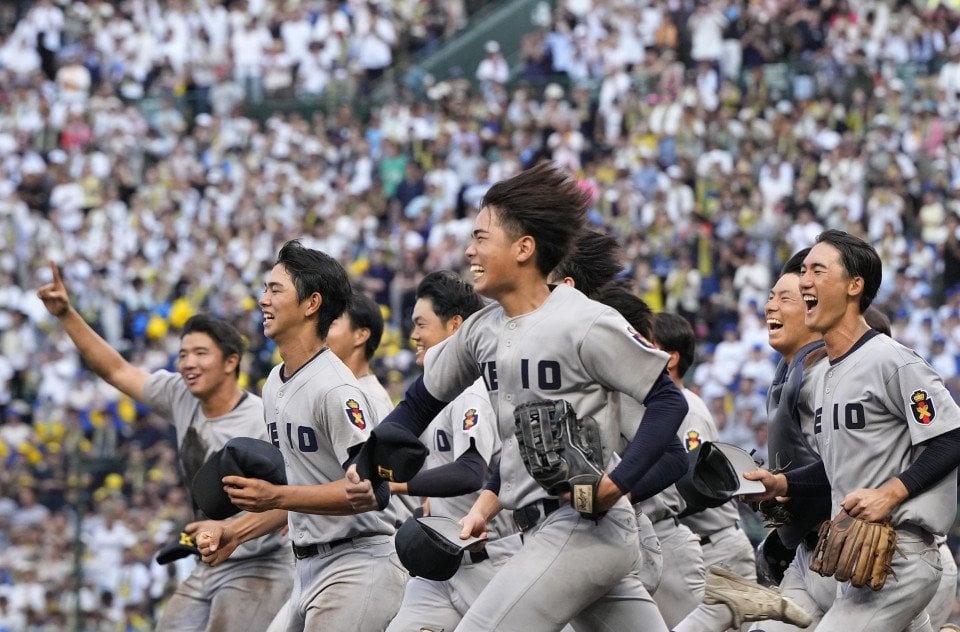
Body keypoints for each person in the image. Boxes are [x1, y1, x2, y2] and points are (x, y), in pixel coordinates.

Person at [363, 161, 689, 631]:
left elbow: (667, 401)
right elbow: (418, 404)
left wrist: (616, 486)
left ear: (523, 248)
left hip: (584, 524)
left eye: (481, 238)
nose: (469, 250)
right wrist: (375, 453)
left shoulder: (585, 320)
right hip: (543, 526)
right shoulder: (482, 330)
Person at [36, 262, 291, 632]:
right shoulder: (180, 394)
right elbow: (117, 371)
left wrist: (238, 531)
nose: (188, 363)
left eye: (201, 353)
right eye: (183, 354)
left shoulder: (261, 419)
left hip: (261, 561)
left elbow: (292, 502)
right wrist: (66, 314)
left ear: (230, 362)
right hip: (210, 560)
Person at [743, 230, 960, 630]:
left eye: (818, 270)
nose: (804, 280)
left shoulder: (891, 361)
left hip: (902, 553)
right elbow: (833, 467)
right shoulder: (825, 375)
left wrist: (892, 492)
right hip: (848, 558)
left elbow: (952, 436)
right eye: (803, 271)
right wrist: (781, 484)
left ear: (854, 286)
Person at [195, 240, 408, 632]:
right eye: (265, 289)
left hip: (358, 564)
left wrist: (276, 496)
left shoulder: (336, 390)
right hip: (307, 565)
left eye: (276, 289)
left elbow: (370, 492)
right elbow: (303, 489)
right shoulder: (275, 383)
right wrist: (235, 532)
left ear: (311, 304)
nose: (263, 300)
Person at [386, 270, 522, 632]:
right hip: (440, 567)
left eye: (421, 323)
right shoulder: (433, 396)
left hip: (491, 562)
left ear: (455, 326)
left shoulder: (472, 391)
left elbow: (469, 472)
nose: (413, 334)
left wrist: (399, 486)